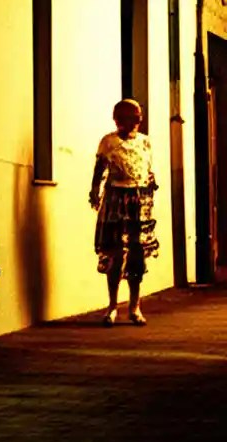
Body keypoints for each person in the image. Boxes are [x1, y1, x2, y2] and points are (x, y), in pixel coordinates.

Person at [89, 98, 160, 326]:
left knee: (137, 255)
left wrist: (151, 189)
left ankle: (135, 306)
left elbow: (148, 170)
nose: (138, 120)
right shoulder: (108, 142)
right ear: (119, 118)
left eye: (139, 116)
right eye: (133, 116)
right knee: (117, 254)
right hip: (116, 198)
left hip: (139, 200)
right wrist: (94, 192)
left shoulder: (145, 142)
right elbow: (99, 169)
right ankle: (112, 306)